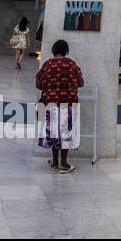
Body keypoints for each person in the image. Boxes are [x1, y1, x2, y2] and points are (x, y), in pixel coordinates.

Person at [36, 39, 84, 173]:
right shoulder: (72, 64)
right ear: (66, 51)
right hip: (68, 104)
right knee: (66, 132)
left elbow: (38, 84)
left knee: (53, 132)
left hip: (50, 103)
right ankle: (64, 163)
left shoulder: (47, 64)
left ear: (53, 50)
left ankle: (55, 162)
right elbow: (81, 82)